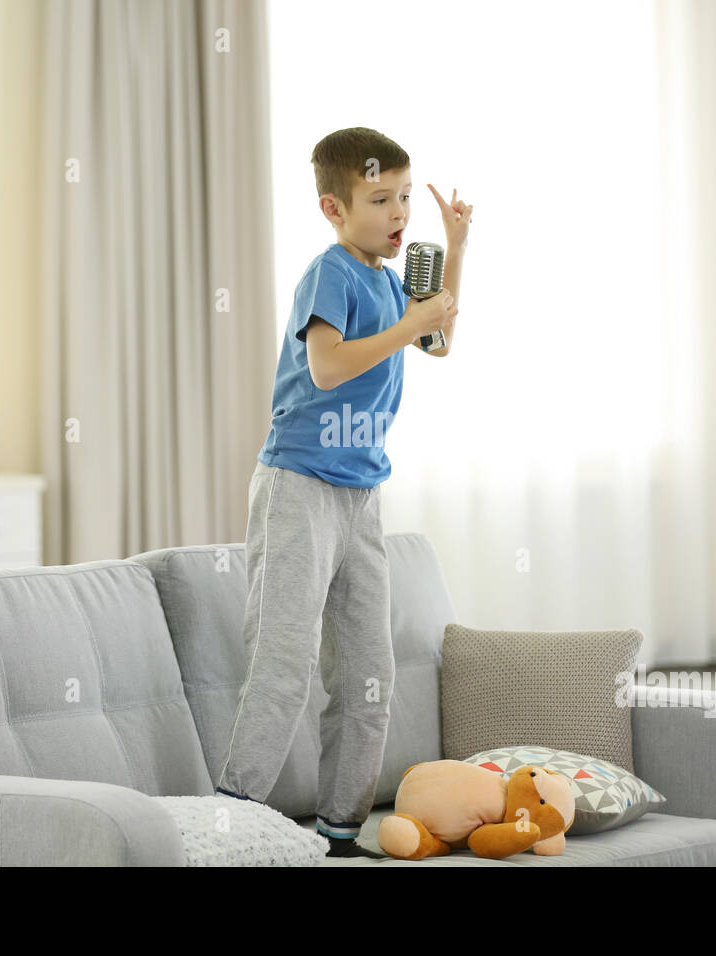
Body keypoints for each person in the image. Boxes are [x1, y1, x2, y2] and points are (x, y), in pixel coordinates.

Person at [214, 126, 471, 859]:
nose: (398, 215)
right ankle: (230, 818)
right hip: (299, 483)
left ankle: (339, 830)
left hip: (361, 496)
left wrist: (454, 250)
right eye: (380, 200)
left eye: (404, 199)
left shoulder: (394, 282)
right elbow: (327, 367)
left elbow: (439, 342)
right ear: (334, 207)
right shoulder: (331, 274)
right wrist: (410, 326)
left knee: (368, 673)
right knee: (285, 661)